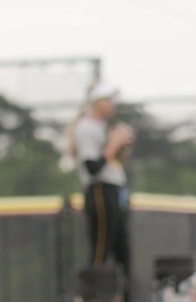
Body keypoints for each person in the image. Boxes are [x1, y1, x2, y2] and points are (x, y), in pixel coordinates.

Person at [71, 81, 136, 298]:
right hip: (100, 192)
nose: (112, 104)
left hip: (116, 191)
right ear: (97, 102)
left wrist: (122, 143)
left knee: (123, 253)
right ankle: (90, 297)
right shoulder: (86, 127)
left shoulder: (104, 127)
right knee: (101, 250)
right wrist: (114, 144)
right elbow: (92, 167)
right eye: (107, 100)